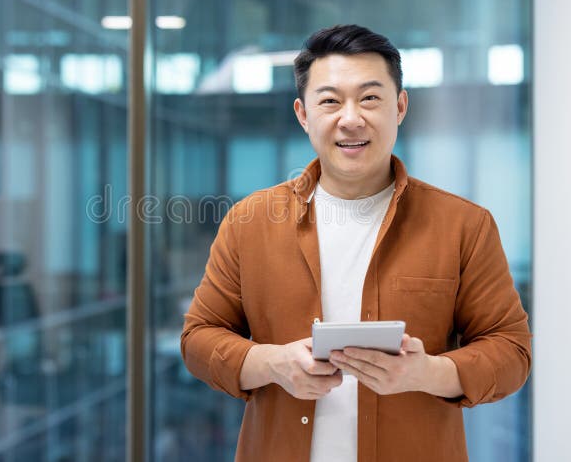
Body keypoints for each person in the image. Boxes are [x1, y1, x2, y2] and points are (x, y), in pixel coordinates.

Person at [180, 24, 531, 462]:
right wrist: (272, 364)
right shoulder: (249, 223)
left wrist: (429, 372)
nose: (351, 118)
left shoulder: (464, 225)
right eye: (329, 101)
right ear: (303, 114)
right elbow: (198, 339)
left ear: (399, 106)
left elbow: (512, 351)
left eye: (370, 98)